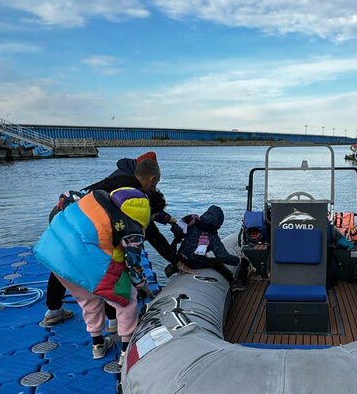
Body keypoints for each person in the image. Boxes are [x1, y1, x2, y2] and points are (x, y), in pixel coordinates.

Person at [42, 153, 179, 326]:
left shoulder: (123, 179)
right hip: (74, 221)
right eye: (156, 184)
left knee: (62, 262)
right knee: (111, 267)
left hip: (64, 213)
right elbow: (150, 231)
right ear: (152, 179)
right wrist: (177, 261)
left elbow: (149, 211)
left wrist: (169, 219)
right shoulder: (131, 191)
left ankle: (53, 310)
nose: (154, 188)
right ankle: (114, 322)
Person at [34, 186, 152, 360]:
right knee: (126, 298)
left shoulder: (96, 199)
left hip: (52, 251)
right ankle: (126, 350)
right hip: (82, 258)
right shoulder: (132, 226)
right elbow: (133, 266)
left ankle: (97, 344)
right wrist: (142, 285)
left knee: (88, 298)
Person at [168, 205, 251, 287]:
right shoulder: (213, 237)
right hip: (194, 261)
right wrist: (239, 261)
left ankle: (175, 267)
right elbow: (223, 257)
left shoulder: (193, 223)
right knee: (216, 262)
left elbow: (177, 231)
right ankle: (233, 282)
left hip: (180, 255)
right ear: (218, 224)